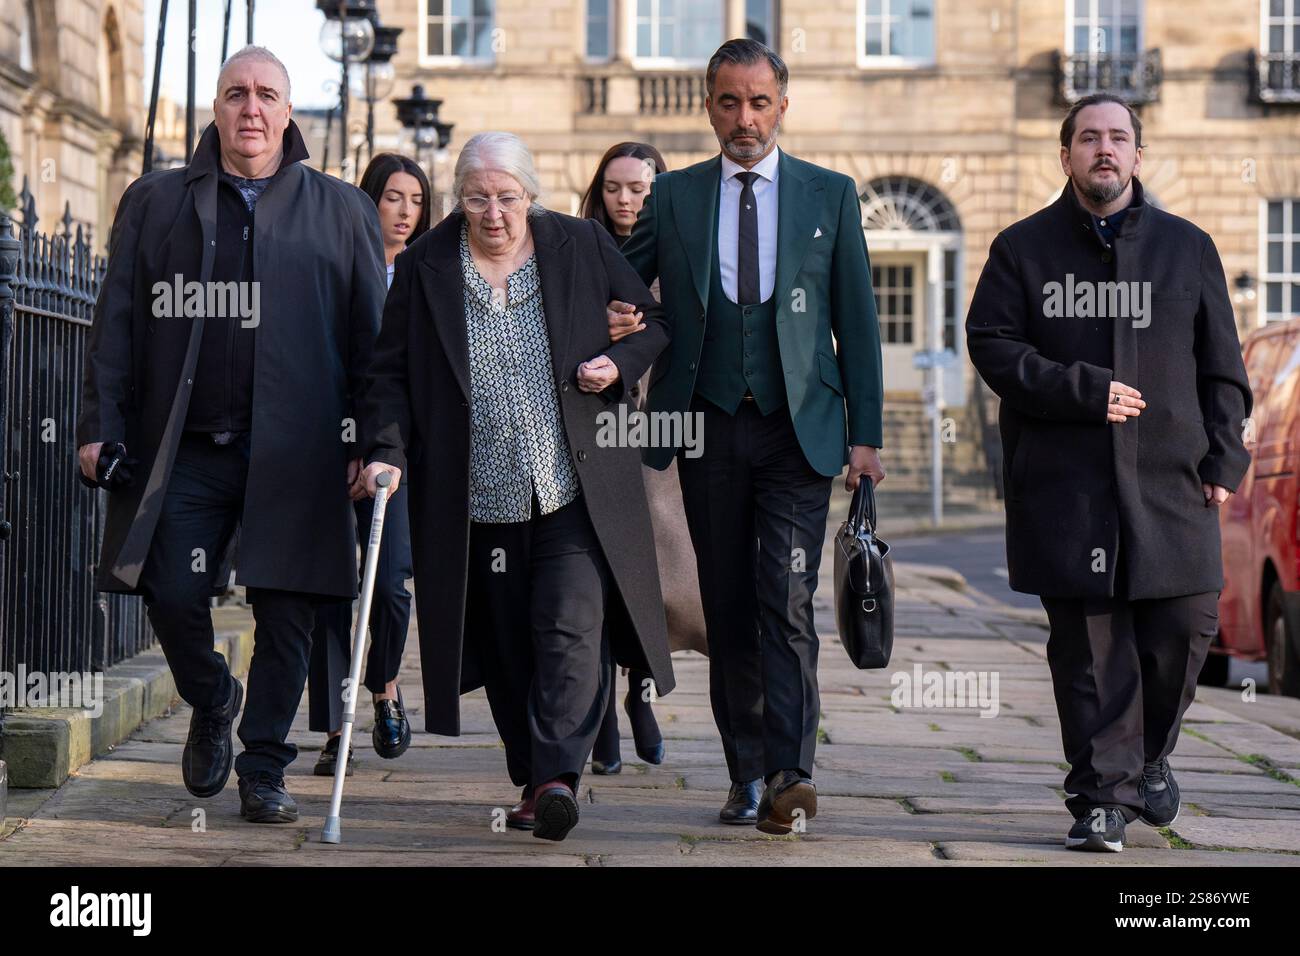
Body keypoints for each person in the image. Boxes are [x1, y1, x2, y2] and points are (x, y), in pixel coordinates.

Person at [75, 46, 386, 823]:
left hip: (302, 450)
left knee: (291, 612)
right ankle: (214, 696)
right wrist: (97, 427)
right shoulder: (156, 199)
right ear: (216, 107)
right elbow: (115, 321)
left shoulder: (341, 208)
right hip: (188, 448)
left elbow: (374, 343)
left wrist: (377, 442)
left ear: (288, 111)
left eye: (267, 95)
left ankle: (264, 766)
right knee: (171, 591)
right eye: (236, 93)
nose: (252, 108)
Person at [356, 131, 675, 842]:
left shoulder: (578, 244)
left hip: (570, 486)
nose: (493, 213)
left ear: (530, 195)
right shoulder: (426, 265)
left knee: (569, 628)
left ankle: (558, 776)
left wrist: (617, 364)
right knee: (505, 646)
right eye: (477, 198)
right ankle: (535, 777)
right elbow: (387, 376)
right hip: (477, 496)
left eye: (506, 198)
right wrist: (382, 450)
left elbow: (653, 322)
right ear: (460, 198)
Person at [966, 93, 1253, 852]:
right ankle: (1100, 798)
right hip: (1067, 484)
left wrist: (1226, 455)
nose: (1104, 149)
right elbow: (991, 343)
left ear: (1136, 153)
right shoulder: (1020, 249)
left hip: (1173, 479)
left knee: (1184, 630)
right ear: (1064, 155)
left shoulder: (1187, 247)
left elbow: (1223, 368)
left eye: (1118, 138)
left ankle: (1148, 760)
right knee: (1091, 654)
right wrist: (1082, 390)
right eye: (1089, 137)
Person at [612, 39, 886, 834]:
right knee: (728, 607)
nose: (744, 119)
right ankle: (744, 773)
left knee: (787, 602)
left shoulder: (829, 195)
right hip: (703, 426)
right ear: (708, 107)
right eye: (729, 102)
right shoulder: (676, 198)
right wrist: (609, 310)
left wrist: (864, 436)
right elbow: (622, 281)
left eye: (759, 102)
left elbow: (857, 323)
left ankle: (790, 773)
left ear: (782, 107)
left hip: (799, 433)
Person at [579, 141, 701, 775]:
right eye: (615, 188)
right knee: (595, 569)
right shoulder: (576, 248)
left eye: (641, 191)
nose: (626, 202)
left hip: (659, 426)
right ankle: (598, 710)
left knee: (656, 570)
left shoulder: (681, 248)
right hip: (594, 423)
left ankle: (641, 691)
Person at [308, 153, 429, 776]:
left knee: (389, 583)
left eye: (414, 200)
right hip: (328, 443)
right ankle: (335, 730)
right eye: (391, 197)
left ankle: (383, 686)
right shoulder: (336, 267)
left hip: (395, 455)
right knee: (328, 587)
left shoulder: (427, 275)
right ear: (367, 202)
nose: (404, 212)